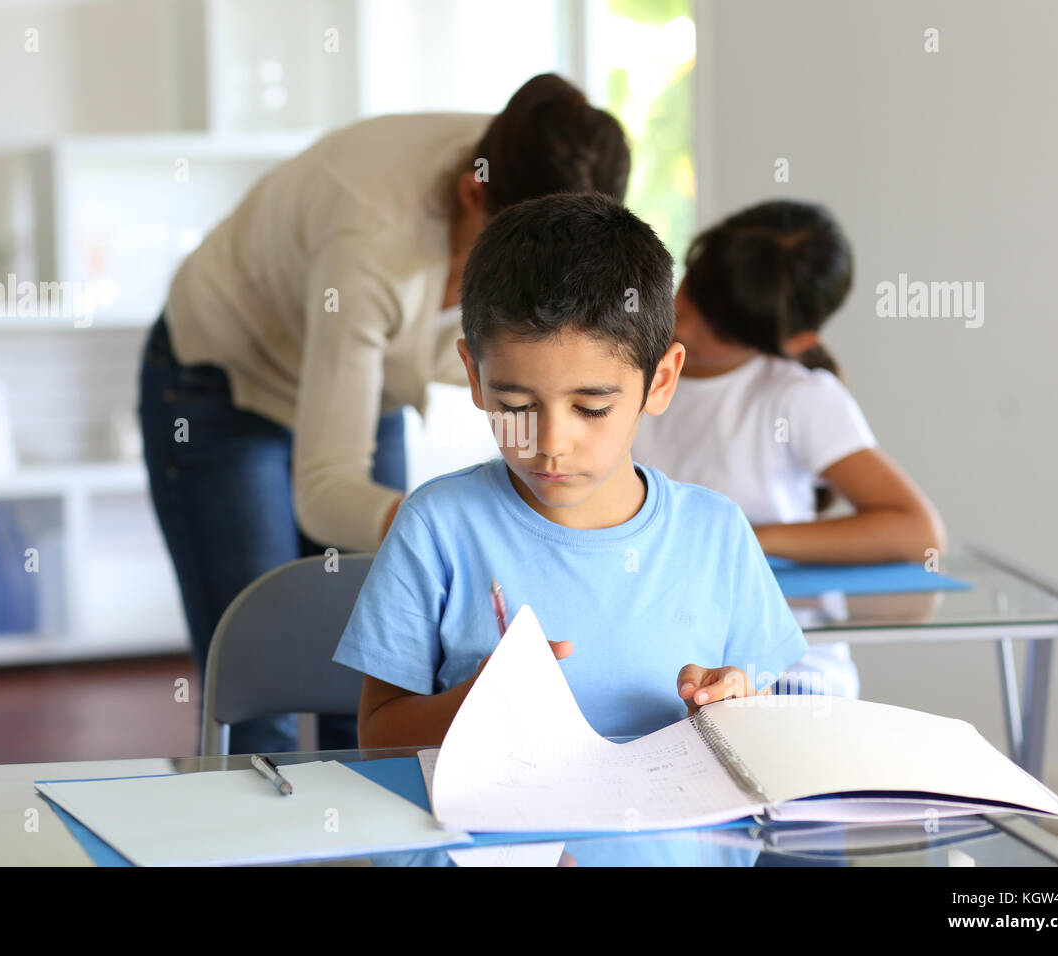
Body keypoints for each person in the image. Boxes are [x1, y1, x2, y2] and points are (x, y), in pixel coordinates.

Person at [140, 74, 631, 755]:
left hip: (365, 381)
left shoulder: (541, 168)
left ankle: (369, 857)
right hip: (226, 380)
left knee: (375, 672)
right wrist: (457, 526)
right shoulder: (371, 242)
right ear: (470, 196)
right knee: (262, 693)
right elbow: (324, 492)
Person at [332, 192, 808, 748]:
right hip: (495, 833)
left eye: (592, 408)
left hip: (673, 833)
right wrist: (476, 703)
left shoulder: (716, 533)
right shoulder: (435, 527)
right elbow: (378, 735)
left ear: (660, 381)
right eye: (515, 405)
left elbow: (765, 727)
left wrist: (733, 702)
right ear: (474, 374)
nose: (551, 443)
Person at [632, 200, 947, 698]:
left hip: (785, 669)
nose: (684, 324)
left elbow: (918, 533)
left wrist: (751, 538)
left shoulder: (797, 398)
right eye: (691, 292)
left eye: (718, 327)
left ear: (794, 340)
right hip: (655, 655)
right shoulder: (623, 368)